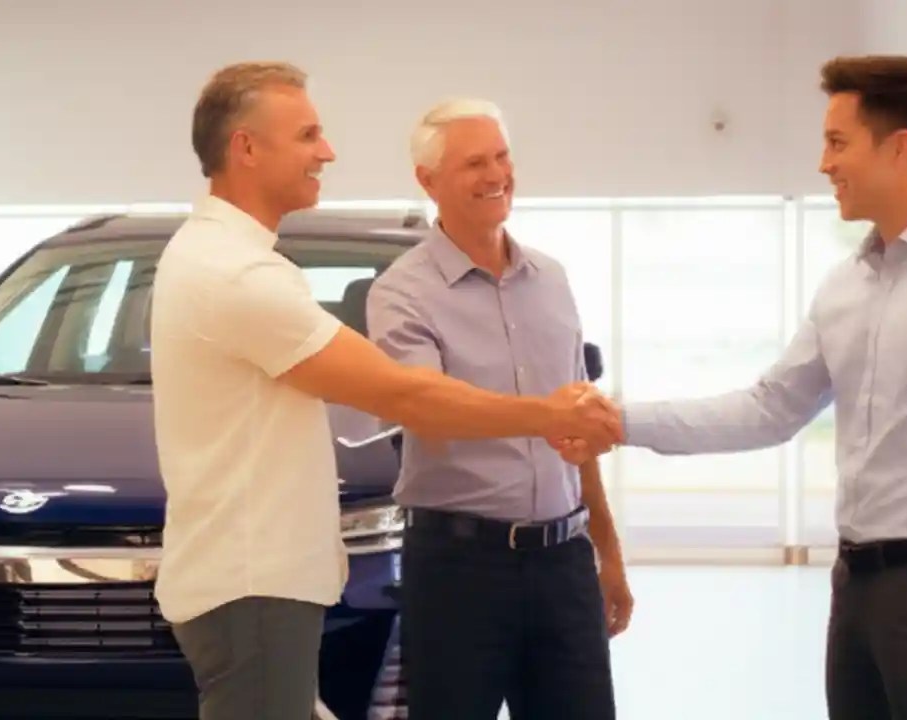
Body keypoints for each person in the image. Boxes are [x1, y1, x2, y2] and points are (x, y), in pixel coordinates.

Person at [564, 55, 907, 720]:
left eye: (837, 143)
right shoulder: (847, 284)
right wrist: (622, 421)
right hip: (856, 589)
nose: (823, 163)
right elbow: (770, 408)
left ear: (901, 148)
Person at [149, 63, 622, 720]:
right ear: (247, 148)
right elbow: (405, 398)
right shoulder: (237, 274)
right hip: (260, 581)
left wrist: (603, 536)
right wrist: (546, 414)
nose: (328, 151)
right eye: (308, 134)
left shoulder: (229, 260)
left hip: (263, 581)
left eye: (501, 156)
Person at [365, 98, 630, 720]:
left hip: (564, 561)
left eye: (502, 156)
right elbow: (430, 410)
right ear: (428, 181)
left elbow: (579, 431)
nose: (496, 175)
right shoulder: (402, 293)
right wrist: (545, 414)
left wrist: (608, 551)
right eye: (474, 163)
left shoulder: (553, 280)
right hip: (460, 570)